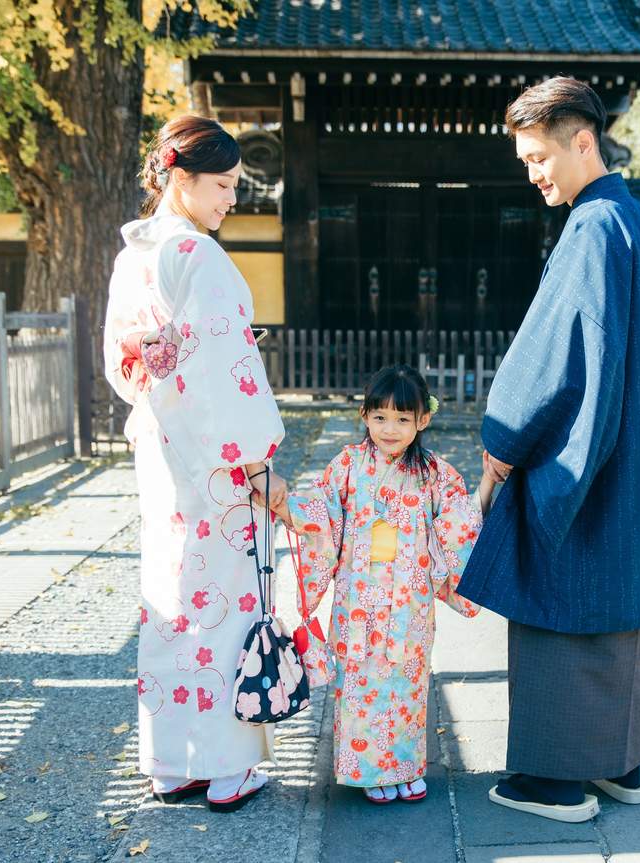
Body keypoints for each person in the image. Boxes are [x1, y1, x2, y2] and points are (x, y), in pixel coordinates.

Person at [456, 77, 640, 822]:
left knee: (560, 598)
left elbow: (553, 357)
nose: (532, 174)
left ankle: (553, 779)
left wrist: (502, 440)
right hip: (639, 452)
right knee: (622, 610)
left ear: (580, 140)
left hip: (583, 457)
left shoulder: (591, 231)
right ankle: (618, 764)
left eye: (536, 156)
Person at [103, 115, 290, 813]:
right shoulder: (198, 257)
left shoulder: (133, 255)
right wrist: (258, 462)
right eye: (220, 185)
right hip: (214, 457)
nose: (229, 200)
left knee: (172, 598)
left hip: (159, 443)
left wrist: (163, 363)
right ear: (178, 177)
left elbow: (123, 365)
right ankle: (225, 765)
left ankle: (169, 761)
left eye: (234, 187)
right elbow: (224, 371)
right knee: (225, 600)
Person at [266, 365, 496, 804]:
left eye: (403, 420)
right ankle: (367, 770)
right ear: (365, 416)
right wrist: (283, 504)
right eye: (380, 418)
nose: (390, 429)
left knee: (406, 683)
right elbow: (321, 512)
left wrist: (487, 483)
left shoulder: (435, 473)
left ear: (422, 421)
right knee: (359, 683)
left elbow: (459, 526)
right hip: (358, 600)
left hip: (409, 601)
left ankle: (404, 767)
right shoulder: (348, 465)